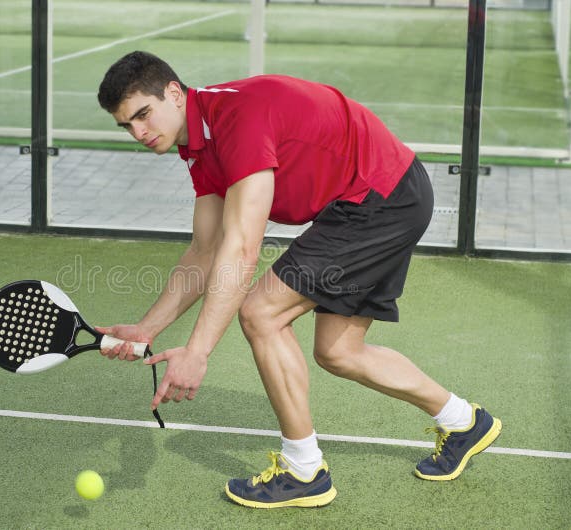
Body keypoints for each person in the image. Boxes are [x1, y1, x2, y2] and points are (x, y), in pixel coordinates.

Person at [95, 50, 502, 509]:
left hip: (379, 198)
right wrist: (149, 327)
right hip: (381, 195)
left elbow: (242, 248)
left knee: (261, 312)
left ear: (173, 93)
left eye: (143, 116)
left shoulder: (237, 119)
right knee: (338, 351)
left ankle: (303, 470)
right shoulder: (198, 146)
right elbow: (205, 250)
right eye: (127, 125)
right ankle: (463, 420)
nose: (139, 133)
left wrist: (198, 351)